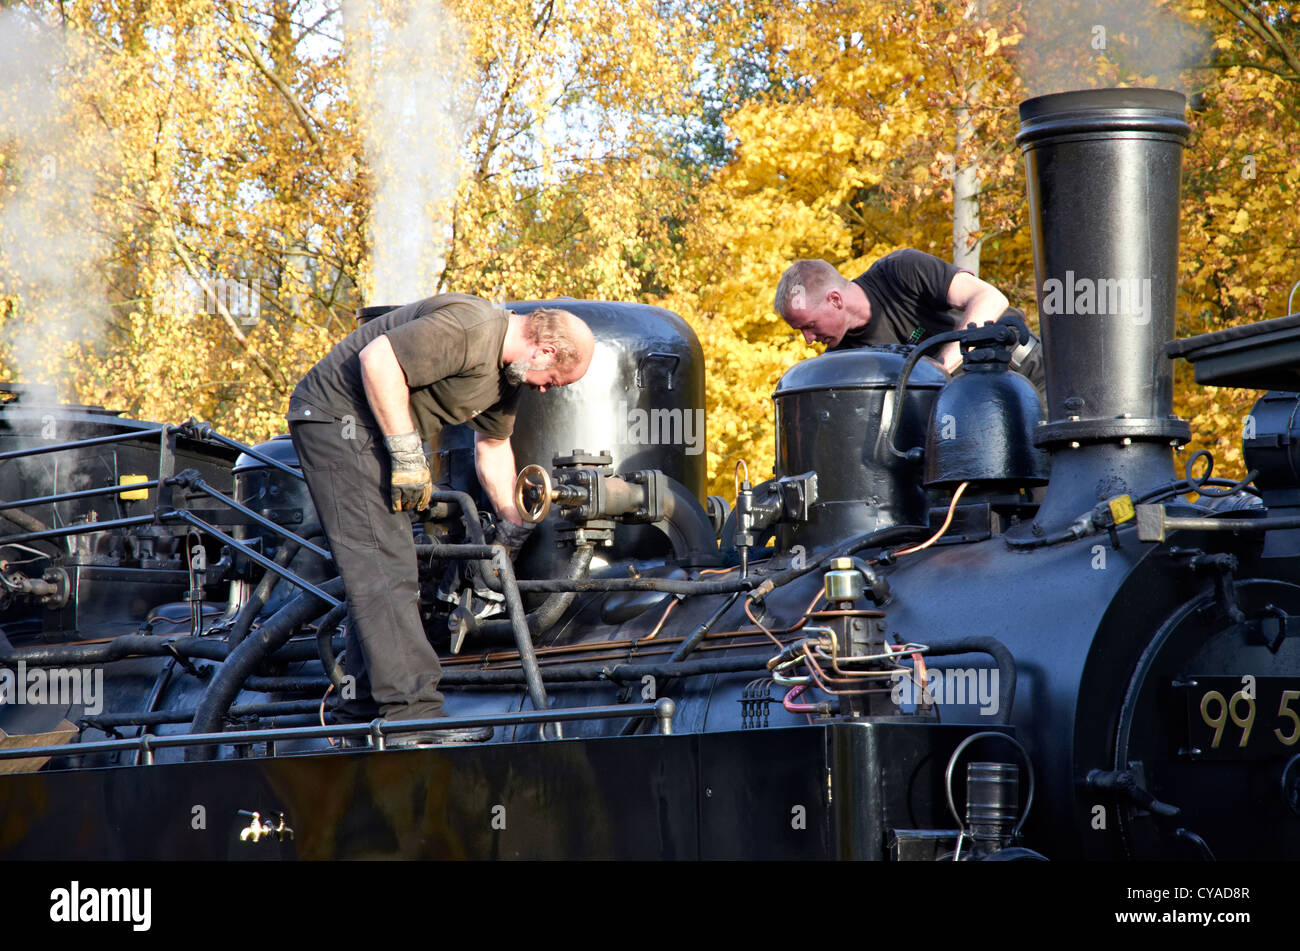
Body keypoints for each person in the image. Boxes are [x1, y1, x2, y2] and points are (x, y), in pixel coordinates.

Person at [287, 294, 594, 747]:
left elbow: (492, 447)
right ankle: (413, 716)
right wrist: (408, 454)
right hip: (337, 420)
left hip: (370, 432)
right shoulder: (473, 328)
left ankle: (362, 710)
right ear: (544, 351)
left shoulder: (504, 381)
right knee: (384, 567)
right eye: (553, 380)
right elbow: (379, 359)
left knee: (385, 568)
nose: (546, 389)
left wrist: (515, 523)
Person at [773, 251, 1044, 394]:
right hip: (968, 411)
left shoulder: (901, 271)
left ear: (834, 299)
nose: (808, 340)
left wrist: (938, 370)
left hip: (1026, 374)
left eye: (808, 326)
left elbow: (990, 297)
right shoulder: (843, 360)